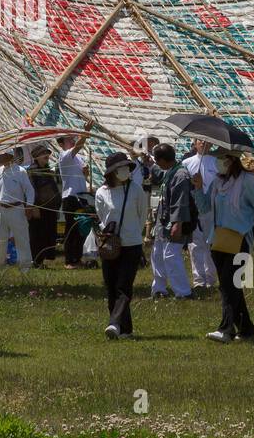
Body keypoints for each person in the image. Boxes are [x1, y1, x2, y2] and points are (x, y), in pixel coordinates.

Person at [202, 148, 254, 342]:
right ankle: (247, 330)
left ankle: (226, 329)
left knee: (230, 284)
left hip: (239, 240)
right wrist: (198, 188)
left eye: (221, 159)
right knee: (230, 286)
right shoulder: (217, 182)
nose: (218, 163)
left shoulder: (248, 181)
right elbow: (204, 207)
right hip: (218, 239)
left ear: (231, 160)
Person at [95, 151, 147, 339]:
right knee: (111, 286)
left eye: (127, 167)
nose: (126, 171)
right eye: (121, 168)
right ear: (112, 172)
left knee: (124, 286)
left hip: (131, 244)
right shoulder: (102, 192)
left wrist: (133, 233)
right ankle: (125, 329)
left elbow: (143, 214)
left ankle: (113, 323)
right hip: (110, 244)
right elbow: (102, 217)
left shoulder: (135, 189)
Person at [147, 143, 194, 299]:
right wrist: (147, 161)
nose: (156, 163)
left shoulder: (180, 175)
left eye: (156, 160)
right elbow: (159, 174)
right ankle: (159, 289)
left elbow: (180, 203)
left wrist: (177, 224)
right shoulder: (170, 171)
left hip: (175, 222)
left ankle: (183, 292)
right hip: (163, 220)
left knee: (171, 256)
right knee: (157, 254)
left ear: (163, 160)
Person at [0, 150, 35, 276]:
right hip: (0, 209)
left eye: (1, 155)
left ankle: (25, 268)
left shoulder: (20, 171)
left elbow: (29, 190)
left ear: (9, 156)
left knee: (22, 239)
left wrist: (29, 206)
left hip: (16, 208)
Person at [184, 140, 219, 293]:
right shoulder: (187, 163)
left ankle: (211, 278)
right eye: (200, 141)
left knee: (211, 244)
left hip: (212, 208)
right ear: (195, 144)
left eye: (206, 142)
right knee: (195, 245)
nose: (203, 144)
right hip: (194, 207)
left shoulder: (216, 163)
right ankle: (199, 280)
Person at [57, 133, 90, 268]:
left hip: (81, 195)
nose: (71, 141)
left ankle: (77, 258)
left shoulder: (78, 158)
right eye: (68, 140)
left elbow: (83, 174)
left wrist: (85, 173)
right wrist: (85, 133)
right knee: (72, 229)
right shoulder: (64, 156)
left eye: (72, 139)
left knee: (81, 228)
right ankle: (70, 260)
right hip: (70, 196)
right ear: (61, 144)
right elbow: (78, 146)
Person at [25, 144, 61, 266]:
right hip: (39, 208)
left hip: (51, 208)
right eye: (43, 154)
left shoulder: (48, 171)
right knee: (37, 235)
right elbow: (31, 189)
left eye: (47, 154)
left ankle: (45, 260)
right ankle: (36, 261)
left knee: (49, 234)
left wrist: (57, 204)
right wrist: (34, 206)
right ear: (36, 157)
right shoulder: (31, 171)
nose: (47, 156)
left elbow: (54, 188)